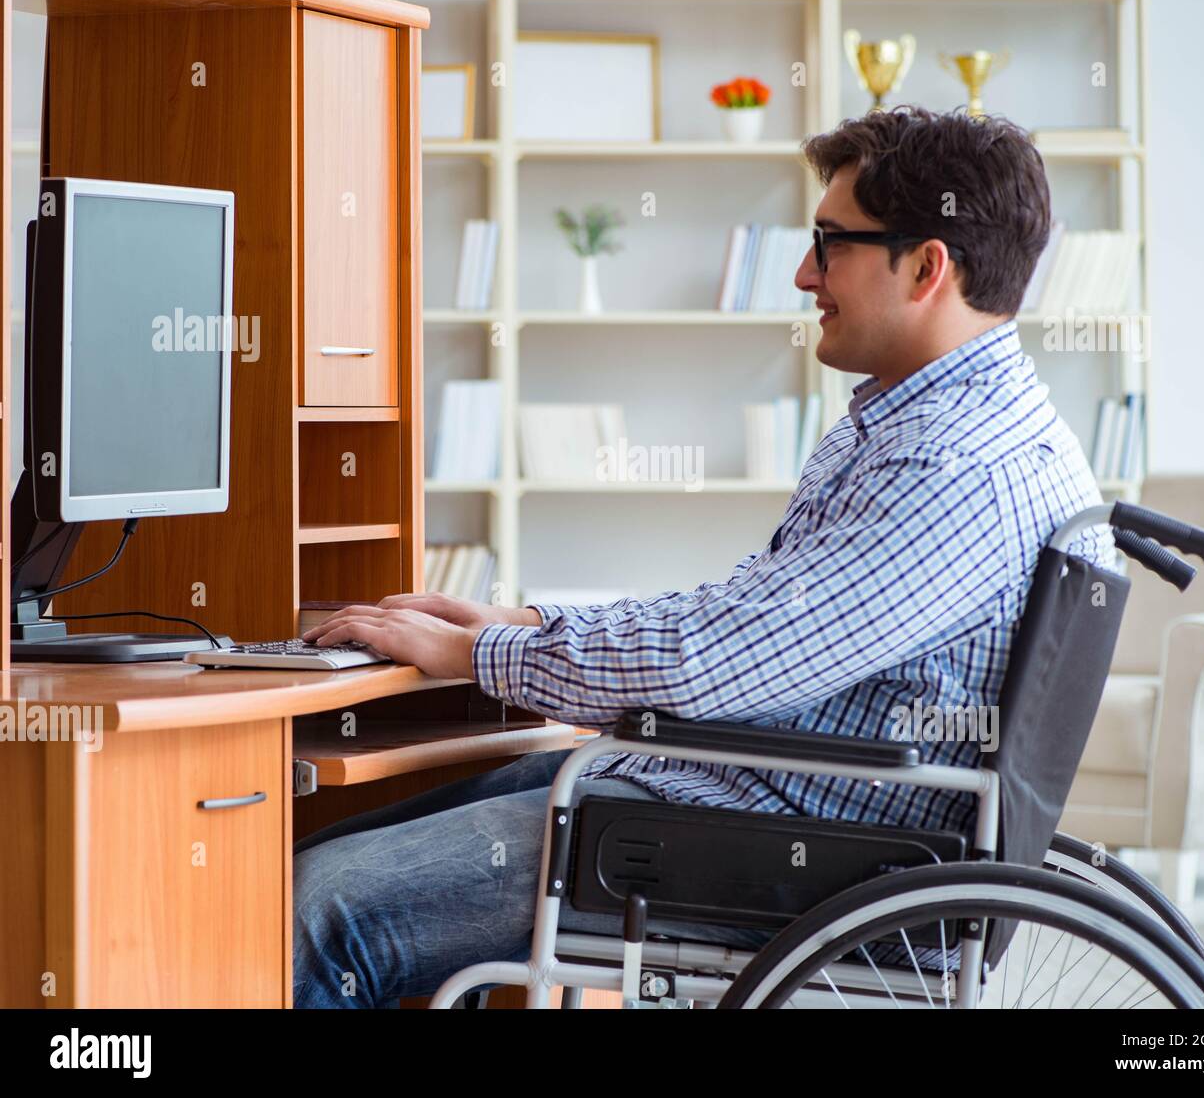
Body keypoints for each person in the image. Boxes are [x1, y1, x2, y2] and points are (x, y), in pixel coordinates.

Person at [293, 105, 1115, 1007]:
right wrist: (528, 623)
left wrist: (479, 654)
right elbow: (744, 615)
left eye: (830, 242)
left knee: (316, 908)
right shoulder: (960, 423)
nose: (805, 273)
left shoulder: (955, 465)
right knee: (321, 841)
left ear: (927, 267)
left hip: (783, 844)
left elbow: (708, 659)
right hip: (752, 798)